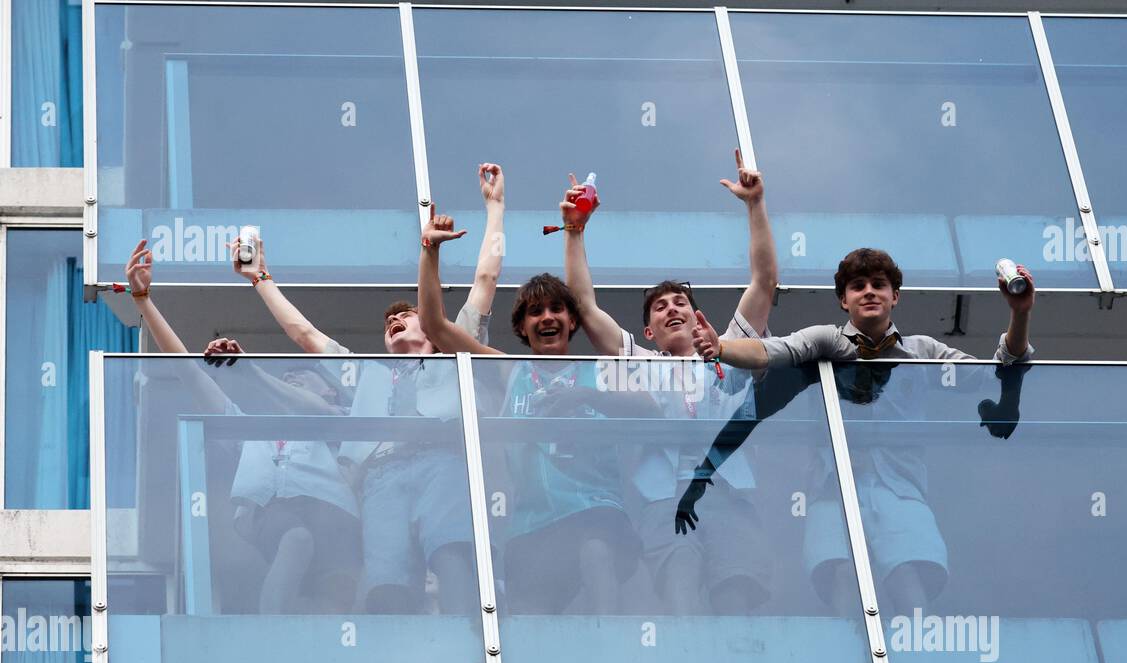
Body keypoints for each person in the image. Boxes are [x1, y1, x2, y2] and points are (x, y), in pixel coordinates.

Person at [691, 247, 1035, 619]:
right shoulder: (825, 341)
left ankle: (919, 662)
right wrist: (721, 348)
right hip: (832, 491)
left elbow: (998, 372)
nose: (869, 291)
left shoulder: (922, 351)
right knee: (841, 578)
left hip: (901, 490)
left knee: (908, 578)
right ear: (843, 300)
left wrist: (1020, 313)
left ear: (895, 296)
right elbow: (773, 350)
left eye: (878, 284)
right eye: (858, 286)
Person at [227, 163, 506, 614]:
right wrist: (260, 278)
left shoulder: (457, 353)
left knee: (453, 558)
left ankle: (469, 649)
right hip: (382, 478)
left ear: (432, 327)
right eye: (388, 323)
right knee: (386, 583)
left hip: (445, 461)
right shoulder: (369, 374)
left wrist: (495, 208)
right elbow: (306, 336)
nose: (394, 322)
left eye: (406, 316)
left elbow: (486, 280)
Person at [558, 150, 780, 614]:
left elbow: (763, 283)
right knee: (679, 589)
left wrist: (755, 206)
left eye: (680, 301)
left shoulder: (729, 351)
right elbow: (583, 305)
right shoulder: (637, 362)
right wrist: (575, 232)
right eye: (660, 307)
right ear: (647, 332)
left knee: (734, 595)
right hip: (664, 499)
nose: (672, 309)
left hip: (729, 494)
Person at [417, 208, 657, 614]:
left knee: (596, 553)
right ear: (523, 328)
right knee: (529, 619)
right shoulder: (511, 370)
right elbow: (436, 327)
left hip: (596, 509)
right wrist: (430, 252)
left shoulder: (599, 372)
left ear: (571, 322)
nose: (547, 317)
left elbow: (649, 410)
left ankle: (615, 652)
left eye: (556, 309)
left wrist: (587, 398)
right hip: (531, 524)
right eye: (535, 312)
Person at [125, 239, 361, 614]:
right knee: (297, 540)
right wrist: (144, 302)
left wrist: (250, 368)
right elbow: (187, 371)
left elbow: (312, 411)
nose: (295, 377)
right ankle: (268, 627)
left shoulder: (337, 420)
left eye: (304, 374)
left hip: (334, 519)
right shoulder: (251, 431)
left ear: (332, 393)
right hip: (275, 514)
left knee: (334, 603)